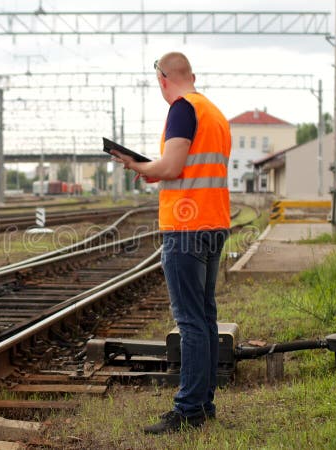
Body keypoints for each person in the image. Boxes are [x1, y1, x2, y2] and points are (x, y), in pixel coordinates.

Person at [111, 51, 231, 434]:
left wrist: (135, 164)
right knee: (205, 318)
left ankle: (189, 410)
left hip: (187, 226)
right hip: (213, 223)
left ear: (163, 79)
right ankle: (204, 403)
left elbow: (172, 167)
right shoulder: (214, 113)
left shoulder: (181, 109)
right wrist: (154, 172)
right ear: (189, 75)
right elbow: (187, 168)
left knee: (191, 321)